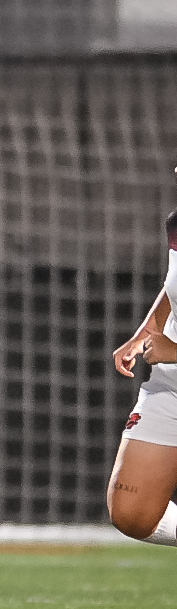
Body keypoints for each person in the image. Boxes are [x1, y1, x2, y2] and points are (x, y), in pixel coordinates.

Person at [110, 207, 177, 548]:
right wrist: (146, 333)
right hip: (171, 385)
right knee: (132, 513)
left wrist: (175, 350)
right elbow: (174, 284)